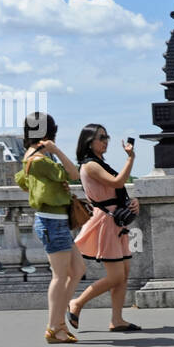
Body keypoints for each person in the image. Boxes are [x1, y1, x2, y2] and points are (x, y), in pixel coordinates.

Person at [19, 112, 84, 344]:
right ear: (49, 133)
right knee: (60, 276)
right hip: (51, 221)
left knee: (76, 270)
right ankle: (54, 327)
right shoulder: (40, 160)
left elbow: (24, 184)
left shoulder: (32, 157)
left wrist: (57, 188)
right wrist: (56, 151)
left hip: (54, 221)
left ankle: (58, 324)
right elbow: (75, 174)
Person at [69, 125, 141, 332]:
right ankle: (77, 303)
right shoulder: (90, 165)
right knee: (116, 275)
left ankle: (117, 320)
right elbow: (118, 182)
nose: (106, 141)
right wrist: (130, 158)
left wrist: (133, 203)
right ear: (88, 141)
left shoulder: (99, 163)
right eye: (101, 137)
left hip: (115, 220)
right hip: (106, 222)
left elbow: (116, 191)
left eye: (106, 137)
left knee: (124, 272)